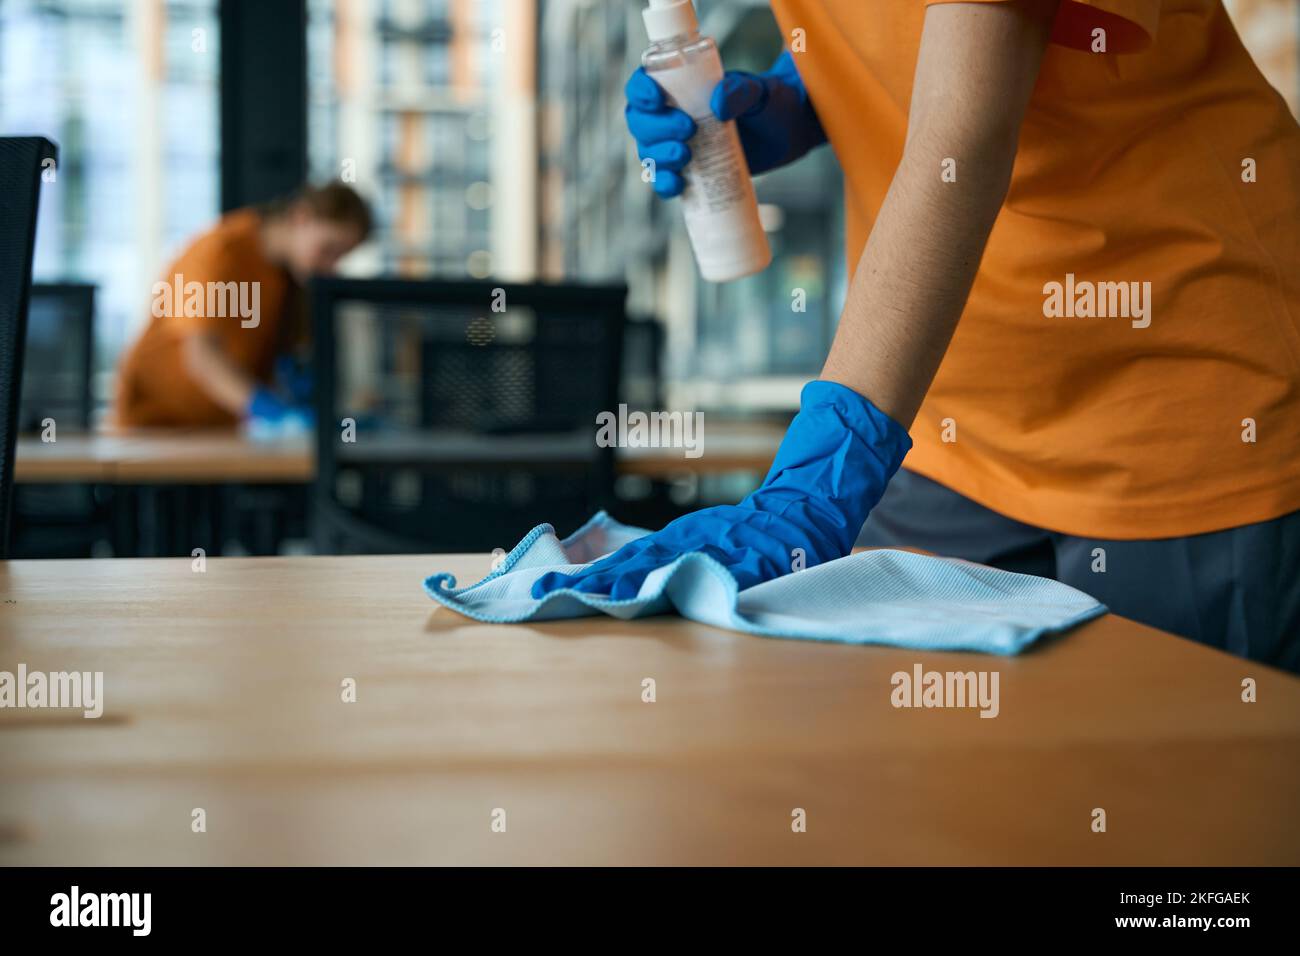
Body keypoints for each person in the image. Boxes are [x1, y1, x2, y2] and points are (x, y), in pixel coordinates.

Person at [533, 0, 1300, 671]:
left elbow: (959, 148)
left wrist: (817, 480)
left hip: (1183, 390)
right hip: (948, 417)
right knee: (916, 792)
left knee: (1166, 812)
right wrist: (797, 97)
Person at [115, 181, 371, 429]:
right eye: (328, 249)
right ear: (301, 217)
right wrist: (267, 409)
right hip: (153, 425)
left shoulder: (289, 280)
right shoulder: (221, 250)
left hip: (218, 429)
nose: (331, 268)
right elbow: (200, 354)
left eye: (341, 257)